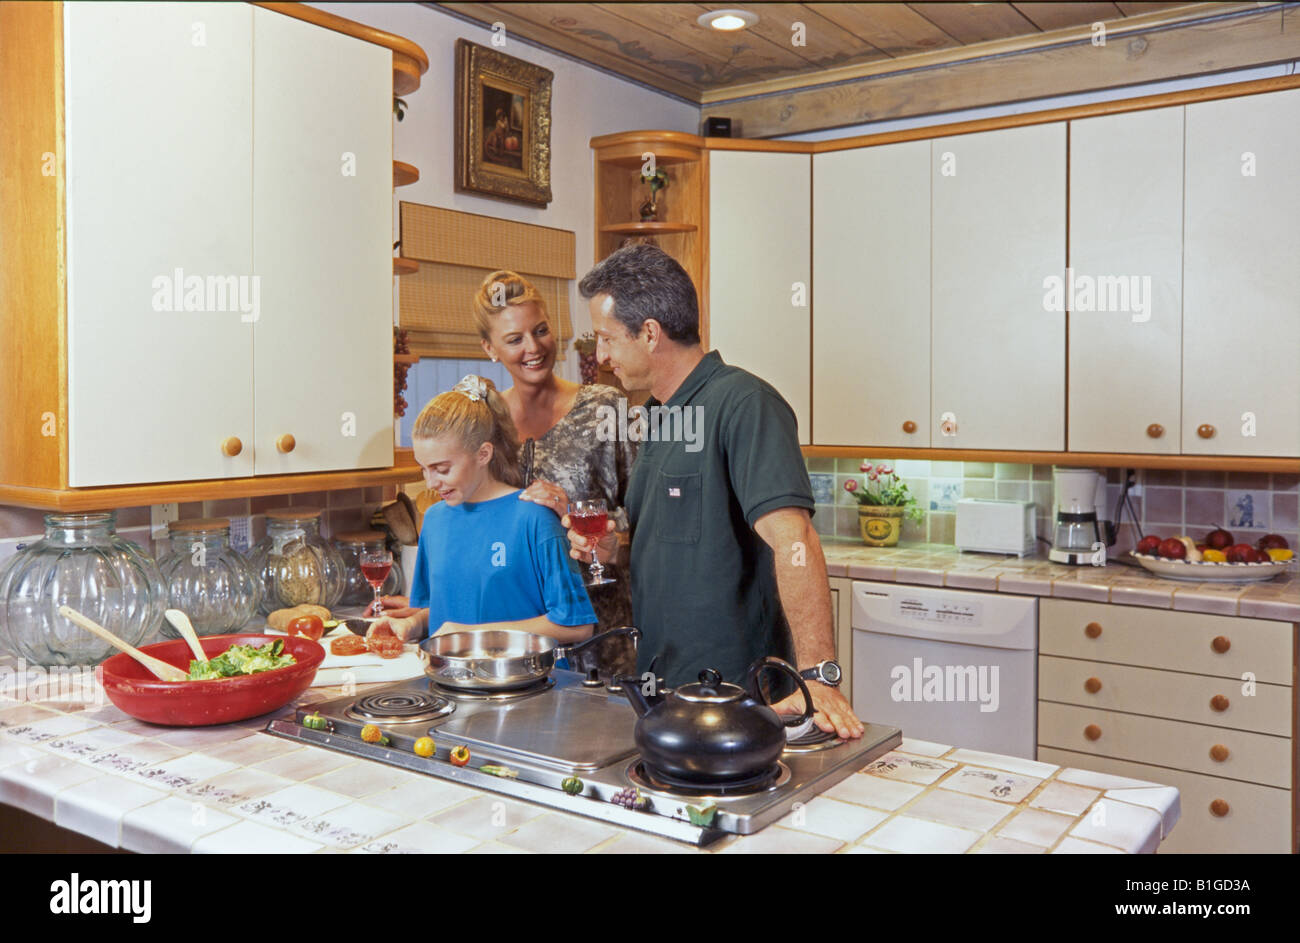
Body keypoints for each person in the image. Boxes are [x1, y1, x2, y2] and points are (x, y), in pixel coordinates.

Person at [566, 244, 864, 740]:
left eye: (605, 339)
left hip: (741, 697)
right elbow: (681, 539)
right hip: (667, 692)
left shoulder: (745, 404)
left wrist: (816, 676)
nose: (599, 357)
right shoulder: (662, 417)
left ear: (649, 333)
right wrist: (612, 548)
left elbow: (796, 541)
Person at [472, 270, 639, 678]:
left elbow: (653, 519)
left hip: (603, 643)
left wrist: (580, 515)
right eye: (514, 339)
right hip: (514, 642)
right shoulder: (484, 423)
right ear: (490, 348)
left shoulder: (607, 407)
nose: (533, 348)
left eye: (541, 330)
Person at [369, 375, 596, 645]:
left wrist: (474, 636)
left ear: (483, 454)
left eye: (442, 469)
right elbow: (444, 613)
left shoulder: (534, 518)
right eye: (424, 469)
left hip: (523, 683)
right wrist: (412, 623)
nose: (430, 483)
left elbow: (576, 626)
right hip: (448, 681)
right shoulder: (434, 520)